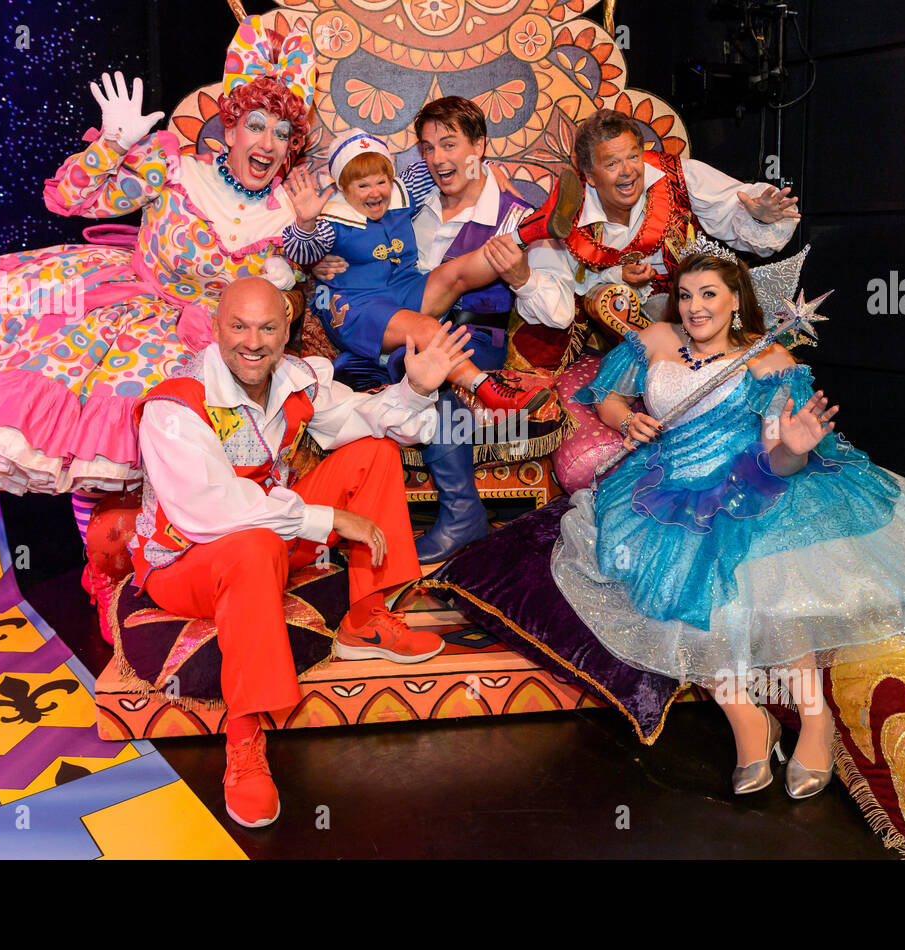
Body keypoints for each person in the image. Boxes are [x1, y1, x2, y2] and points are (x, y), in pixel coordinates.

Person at [550, 246, 905, 798]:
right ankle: (748, 721)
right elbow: (610, 401)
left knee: (775, 589)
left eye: (709, 294)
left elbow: (779, 457)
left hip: (753, 479)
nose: (695, 307)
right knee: (679, 591)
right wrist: (629, 419)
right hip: (667, 484)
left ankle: (815, 721)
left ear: (737, 300)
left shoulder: (773, 362)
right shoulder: (652, 341)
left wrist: (792, 451)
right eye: (686, 294)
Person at [0, 16, 315, 542]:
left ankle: (170, 568)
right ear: (232, 130)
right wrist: (112, 141)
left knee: (200, 471)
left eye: (282, 133)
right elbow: (69, 200)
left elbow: (289, 301)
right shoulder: (175, 170)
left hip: (217, 346)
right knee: (92, 451)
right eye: (256, 126)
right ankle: (105, 575)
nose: (267, 142)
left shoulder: (295, 209)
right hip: (127, 314)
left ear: (291, 148)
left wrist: (308, 234)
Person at [131, 276, 473, 828]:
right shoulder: (176, 405)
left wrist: (413, 390)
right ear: (216, 327)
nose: (253, 341)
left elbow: (361, 419)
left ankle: (367, 618)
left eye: (267, 327)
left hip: (273, 535)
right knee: (248, 544)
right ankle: (244, 739)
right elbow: (209, 510)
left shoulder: (295, 378)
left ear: (286, 329)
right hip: (188, 560)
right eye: (238, 326)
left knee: (376, 453)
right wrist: (326, 518)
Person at [308, 97, 578, 562]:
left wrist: (522, 277)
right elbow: (357, 251)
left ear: (480, 146)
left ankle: (461, 514)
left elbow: (560, 314)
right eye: (428, 147)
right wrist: (322, 264)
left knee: (433, 382)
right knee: (385, 366)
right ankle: (348, 522)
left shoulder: (513, 211)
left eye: (449, 145)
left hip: (475, 341)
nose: (436, 159)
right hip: (400, 322)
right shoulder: (409, 205)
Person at [280, 128, 578, 417]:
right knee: (427, 328)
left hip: (403, 287)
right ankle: (491, 391)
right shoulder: (334, 218)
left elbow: (441, 166)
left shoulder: (401, 194)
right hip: (359, 306)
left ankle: (534, 229)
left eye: (381, 181)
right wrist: (306, 224)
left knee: (454, 272)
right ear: (344, 189)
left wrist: (483, 167)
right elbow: (301, 251)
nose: (375, 192)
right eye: (362, 186)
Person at [526, 109, 803, 325]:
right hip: (629, 328)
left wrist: (760, 216)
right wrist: (615, 276)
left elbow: (735, 206)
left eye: (633, 156)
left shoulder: (677, 175)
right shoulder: (568, 216)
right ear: (589, 176)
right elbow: (558, 301)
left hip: (703, 311)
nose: (627, 171)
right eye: (612, 163)